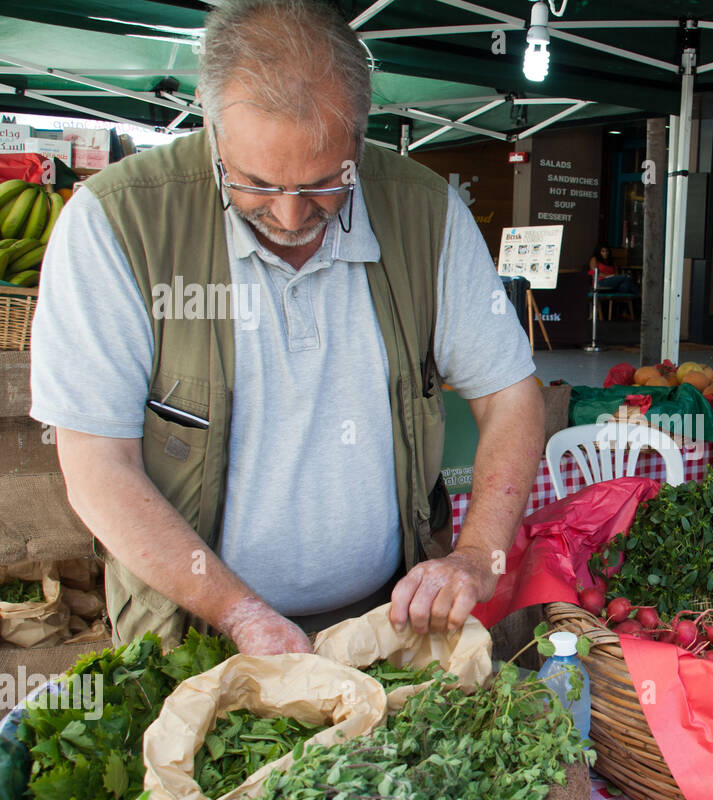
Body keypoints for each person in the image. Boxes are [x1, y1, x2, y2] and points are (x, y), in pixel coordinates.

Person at [29, 0, 543, 655]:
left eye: (325, 183)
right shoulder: (116, 225)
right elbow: (99, 466)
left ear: (361, 134)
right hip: (194, 631)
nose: (292, 214)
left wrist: (477, 557)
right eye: (257, 183)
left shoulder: (426, 213)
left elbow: (511, 397)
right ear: (212, 127)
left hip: (388, 624)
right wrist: (240, 614)